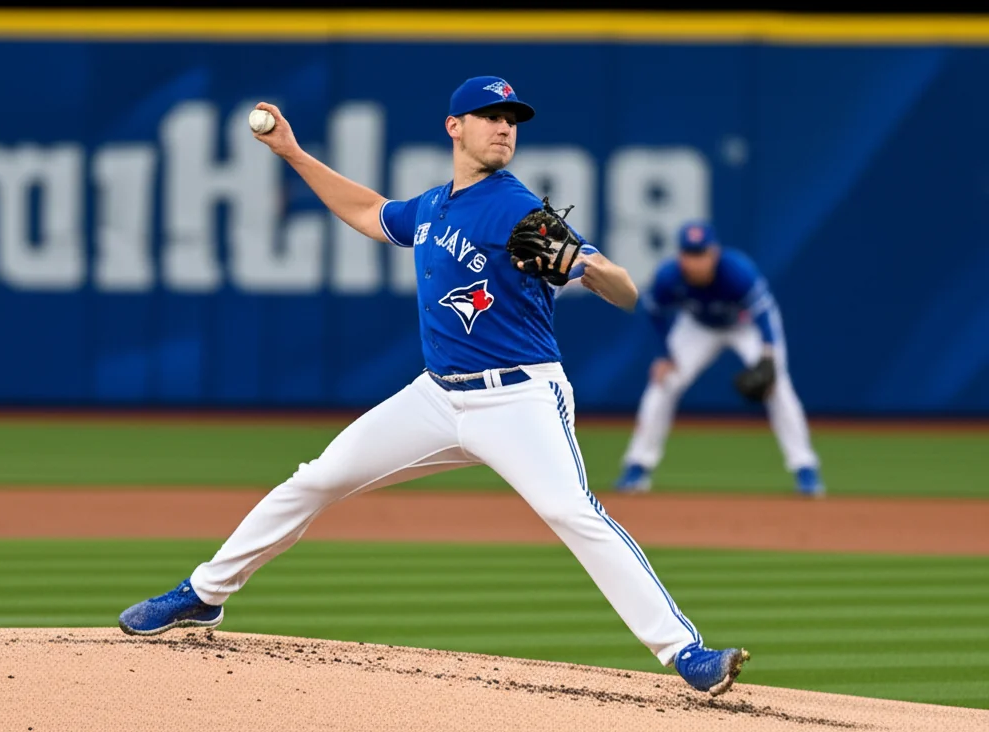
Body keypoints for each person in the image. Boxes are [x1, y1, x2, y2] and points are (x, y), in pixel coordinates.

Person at [118, 77, 749, 696]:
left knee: (569, 510)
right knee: (315, 478)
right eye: (490, 116)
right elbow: (370, 212)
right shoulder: (436, 204)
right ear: (455, 126)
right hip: (438, 396)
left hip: (518, 398)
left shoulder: (517, 206)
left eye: (513, 120)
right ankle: (203, 595)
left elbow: (624, 290)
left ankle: (685, 650)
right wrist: (292, 153)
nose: (505, 127)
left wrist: (583, 266)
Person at [614, 220, 825, 496]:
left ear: (714, 252)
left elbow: (764, 313)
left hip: (745, 326)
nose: (696, 261)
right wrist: (663, 355)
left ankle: (805, 469)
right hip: (697, 327)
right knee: (663, 384)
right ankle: (637, 467)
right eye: (690, 254)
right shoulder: (668, 276)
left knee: (779, 388)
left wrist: (768, 353)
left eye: (701, 254)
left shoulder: (737, 271)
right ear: (680, 256)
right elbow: (654, 312)